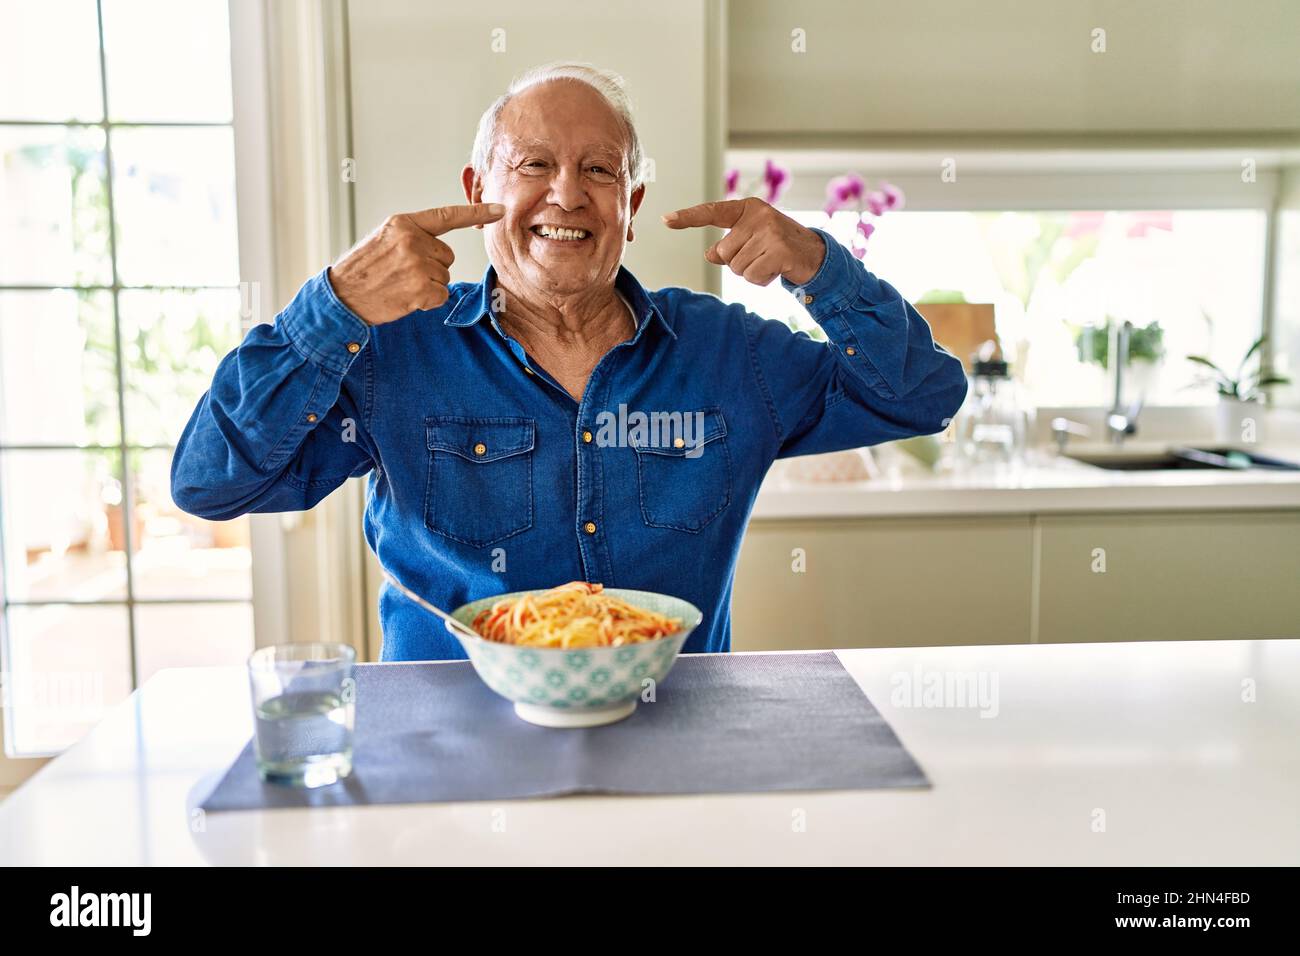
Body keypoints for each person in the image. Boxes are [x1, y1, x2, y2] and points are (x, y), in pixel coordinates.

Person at [171, 62, 967, 660]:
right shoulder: (390, 352)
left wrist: (819, 267)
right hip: (451, 763)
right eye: (532, 165)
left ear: (633, 204)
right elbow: (209, 482)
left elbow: (923, 394)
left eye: (599, 169)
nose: (567, 195)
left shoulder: (731, 355)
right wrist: (335, 303)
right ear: (477, 186)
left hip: (675, 754)